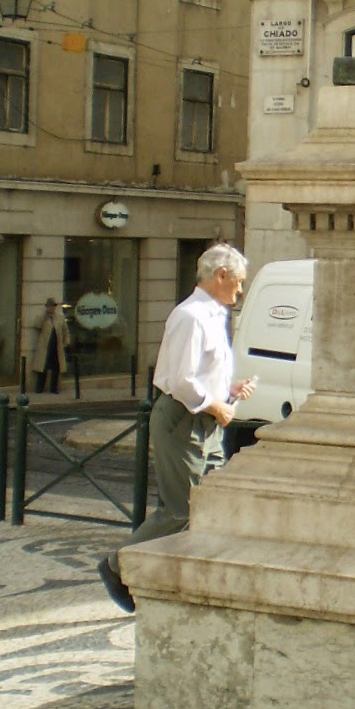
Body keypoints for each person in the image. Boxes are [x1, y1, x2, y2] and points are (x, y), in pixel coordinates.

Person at [98, 244, 256, 613]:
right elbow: (181, 380)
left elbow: (198, 375)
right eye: (239, 282)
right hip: (183, 420)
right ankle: (117, 566)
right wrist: (215, 403)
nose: (241, 290)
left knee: (212, 505)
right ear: (221, 276)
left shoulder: (213, 315)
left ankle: (188, 580)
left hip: (206, 421)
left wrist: (227, 392)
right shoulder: (191, 316)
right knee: (182, 510)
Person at [31, 298, 71, 394]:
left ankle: (54, 388)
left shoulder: (60, 317)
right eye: (49, 306)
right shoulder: (43, 317)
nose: (51, 308)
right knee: (42, 368)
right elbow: (37, 325)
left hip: (56, 347)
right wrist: (45, 315)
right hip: (45, 347)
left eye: (53, 306)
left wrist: (66, 342)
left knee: (56, 369)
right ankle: (39, 388)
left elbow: (65, 331)